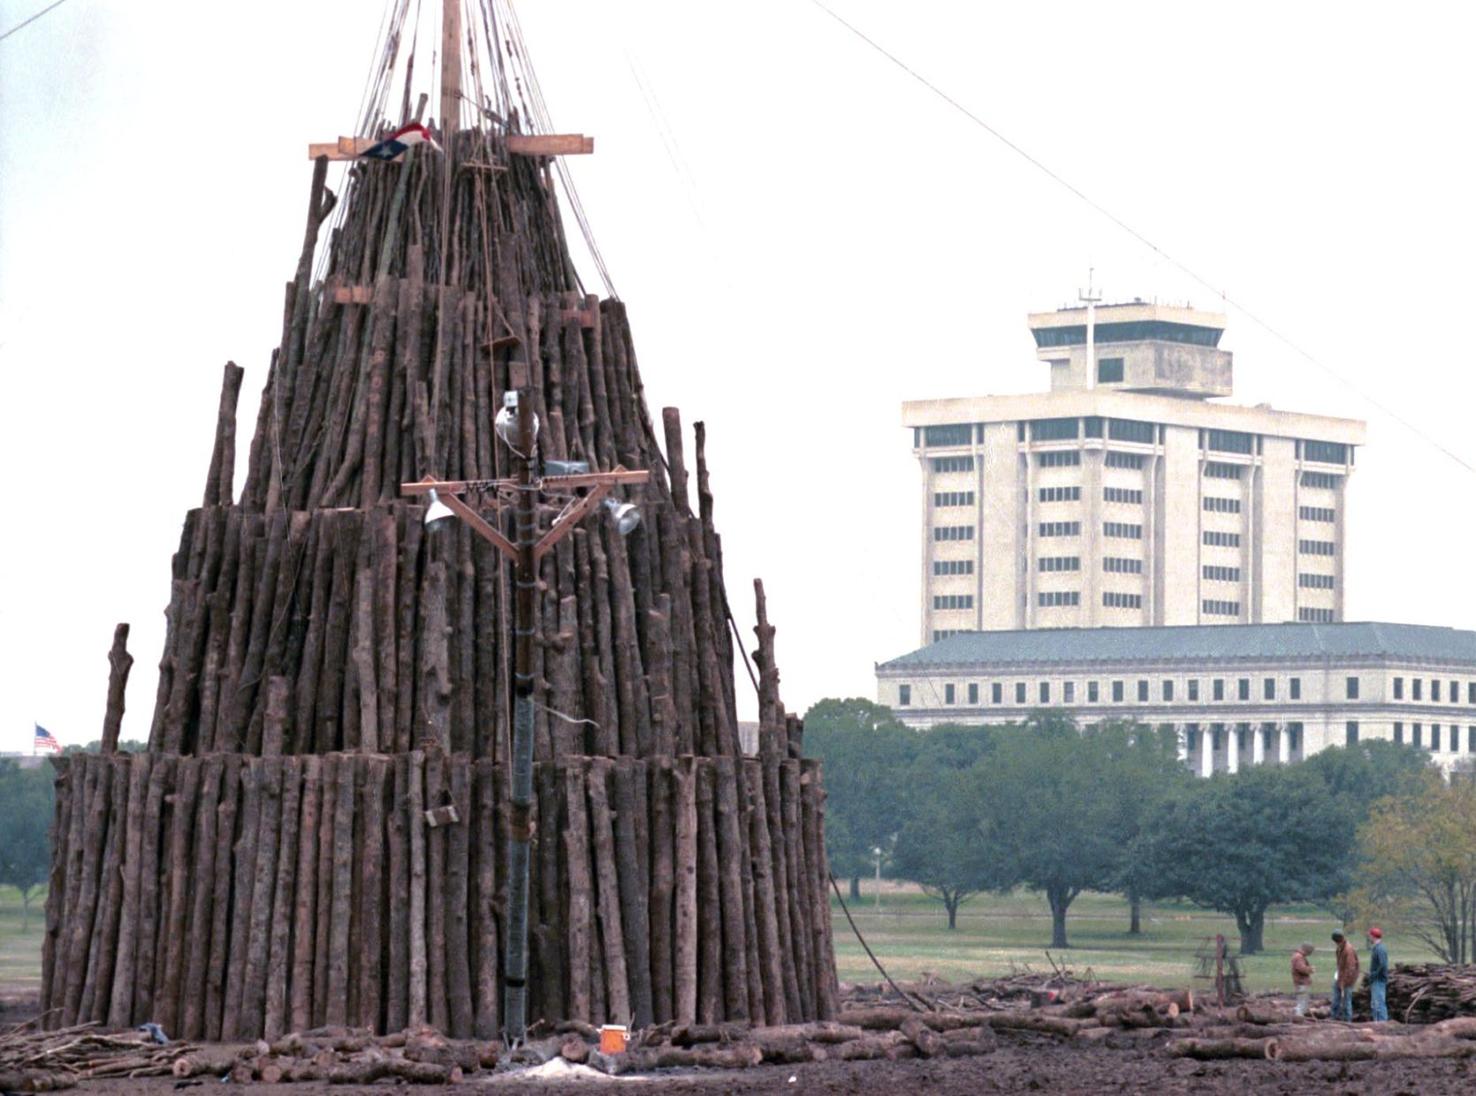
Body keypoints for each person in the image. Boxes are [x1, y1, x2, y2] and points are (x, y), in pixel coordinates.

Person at [1331, 930, 1360, 1021]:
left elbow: (1350, 968)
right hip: (1340, 977)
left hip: (1348, 980)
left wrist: (1344, 982)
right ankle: (1334, 1017)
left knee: (1347, 1002)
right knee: (1336, 999)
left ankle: (1348, 1020)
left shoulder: (1348, 950)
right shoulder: (1340, 948)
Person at [1367, 927, 1389, 1022]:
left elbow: (1383, 964)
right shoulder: (1377, 948)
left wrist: (1374, 974)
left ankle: (1382, 1023)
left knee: (1378, 1003)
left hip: (1378, 980)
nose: (1369, 938)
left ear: (1373, 936)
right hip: (1376, 979)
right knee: (1375, 1003)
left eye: (1370, 936)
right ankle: (1377, 1022)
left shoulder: (1380, 949)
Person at [1290, 943, 1316, 1016]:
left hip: (1300, 983)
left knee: (1302, 1002)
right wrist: (1310, 969)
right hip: (1302, 983)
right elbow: (1301, 969)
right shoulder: (1299, 957)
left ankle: (1299, 1017)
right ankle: (1298, 1018)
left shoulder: (1297, 956)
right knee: (1302, 1003)